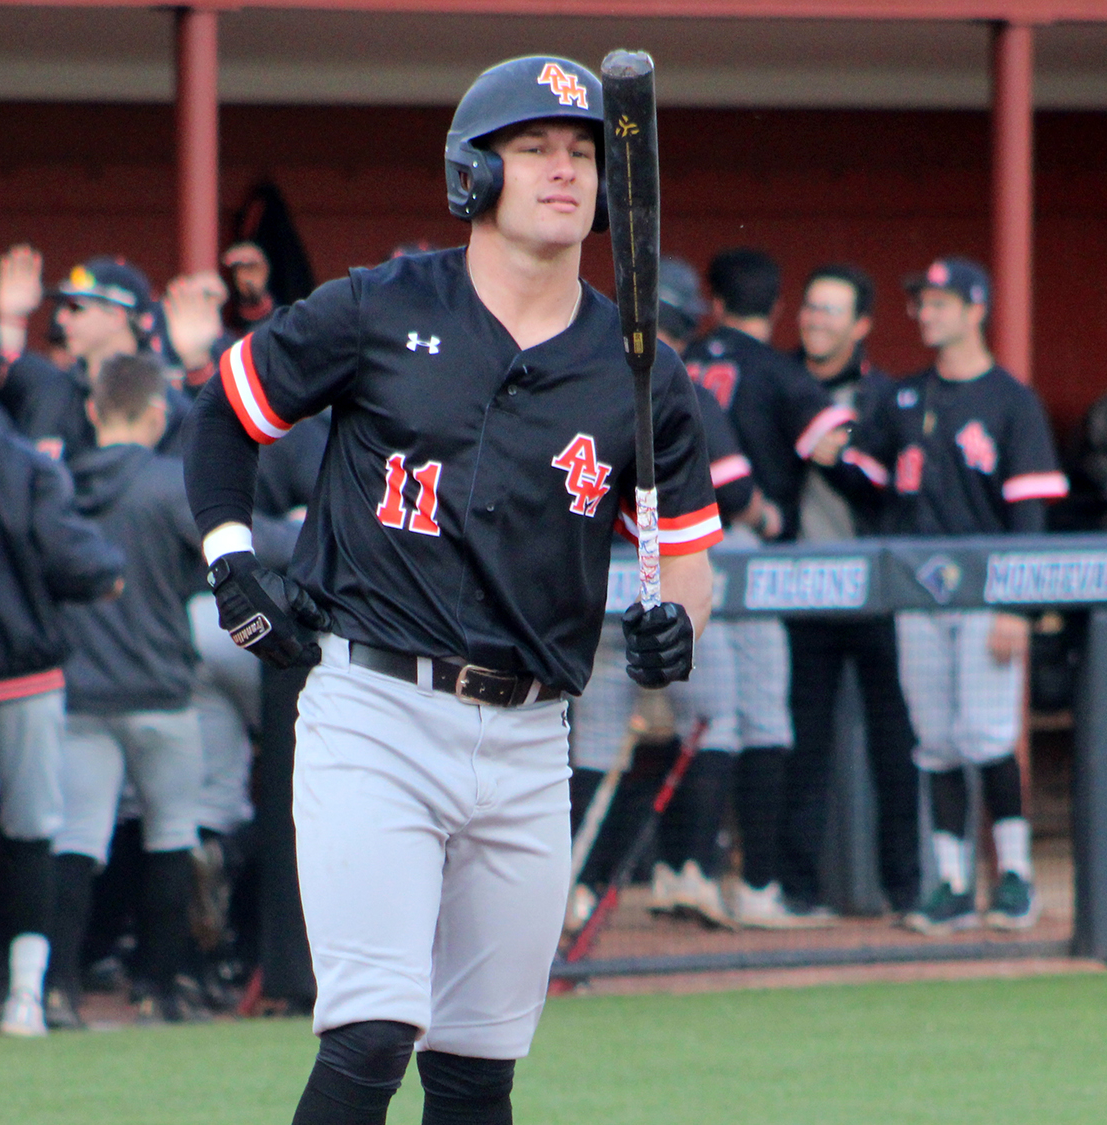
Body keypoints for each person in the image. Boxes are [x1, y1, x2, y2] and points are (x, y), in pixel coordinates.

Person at [186, 55, 717, 1124]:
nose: (563, 170)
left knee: (478, 1071)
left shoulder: (639, 368)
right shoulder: (377, 307)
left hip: (530, 738)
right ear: (473, 172)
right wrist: (231, 560)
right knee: (372, 1033)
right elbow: (225, 412)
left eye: (582, 153)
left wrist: (678, 628)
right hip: (374, 708)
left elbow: (687, 561)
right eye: (534, 148)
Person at [567, 257, 815, 931]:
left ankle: (575, 885)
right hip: (667, 582)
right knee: (714, 719)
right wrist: (770, 519)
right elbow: (734, 491)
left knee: (597, 742)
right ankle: (690, 870)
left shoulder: (579, 376)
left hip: (594, 580)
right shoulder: (678, 384)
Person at [839, 256, 1066, 936]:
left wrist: (1018, 606)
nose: (925, 313)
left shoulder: (1012, 401)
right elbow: (867, 482)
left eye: (940, 302)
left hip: (987, 593)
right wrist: (834, 449)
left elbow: (1031, 513)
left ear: (975, 311)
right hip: (919, 592)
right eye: (922, 301)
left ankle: (1016, 876)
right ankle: (953, 882)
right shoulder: (904, 397)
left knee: (988, 737)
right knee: (936, 742)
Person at [0, 313, 124, 1038]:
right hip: (27, 672)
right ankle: (25, 999)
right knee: (32, 834)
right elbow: (74, 559)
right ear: (0, 377)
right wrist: (107, 574)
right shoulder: (29, 464)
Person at [50, 353, 217, 1028]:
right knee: (171, 834)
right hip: (160, 689)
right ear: (156, 415)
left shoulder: (57, 481)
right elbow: (241, 546)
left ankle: (58, 989)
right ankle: (158, 989)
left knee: (77, 839)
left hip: (82, 691)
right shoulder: (170, 482)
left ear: (93, 411)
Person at [683, 249, 830, 925]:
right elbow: (837, 443)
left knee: (710, 716)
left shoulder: (681, 360)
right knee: (762, 716)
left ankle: (688, 869)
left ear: (715, 303)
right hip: (748, 547)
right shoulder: (778, 370)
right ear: (775, 306)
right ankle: (758, 885)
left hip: (674, 549)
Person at [789, 263, 923, 919]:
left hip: (874, 592)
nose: (816, 319)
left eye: (832, 310)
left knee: (894, 745)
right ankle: (796, 891)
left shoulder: (886, 397)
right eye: (811, 306)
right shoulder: (782, 382)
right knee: (801, 745)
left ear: (861, 324)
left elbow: (894, 494)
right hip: (795, 591)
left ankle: (907, 889)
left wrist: (836, 459)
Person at [0, 248, 221, 460]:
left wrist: (197, 362)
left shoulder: (162, 402)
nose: (61, 318)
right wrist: (11, 321)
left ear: (116, 316)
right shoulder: (49, 392)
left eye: (75, 307)